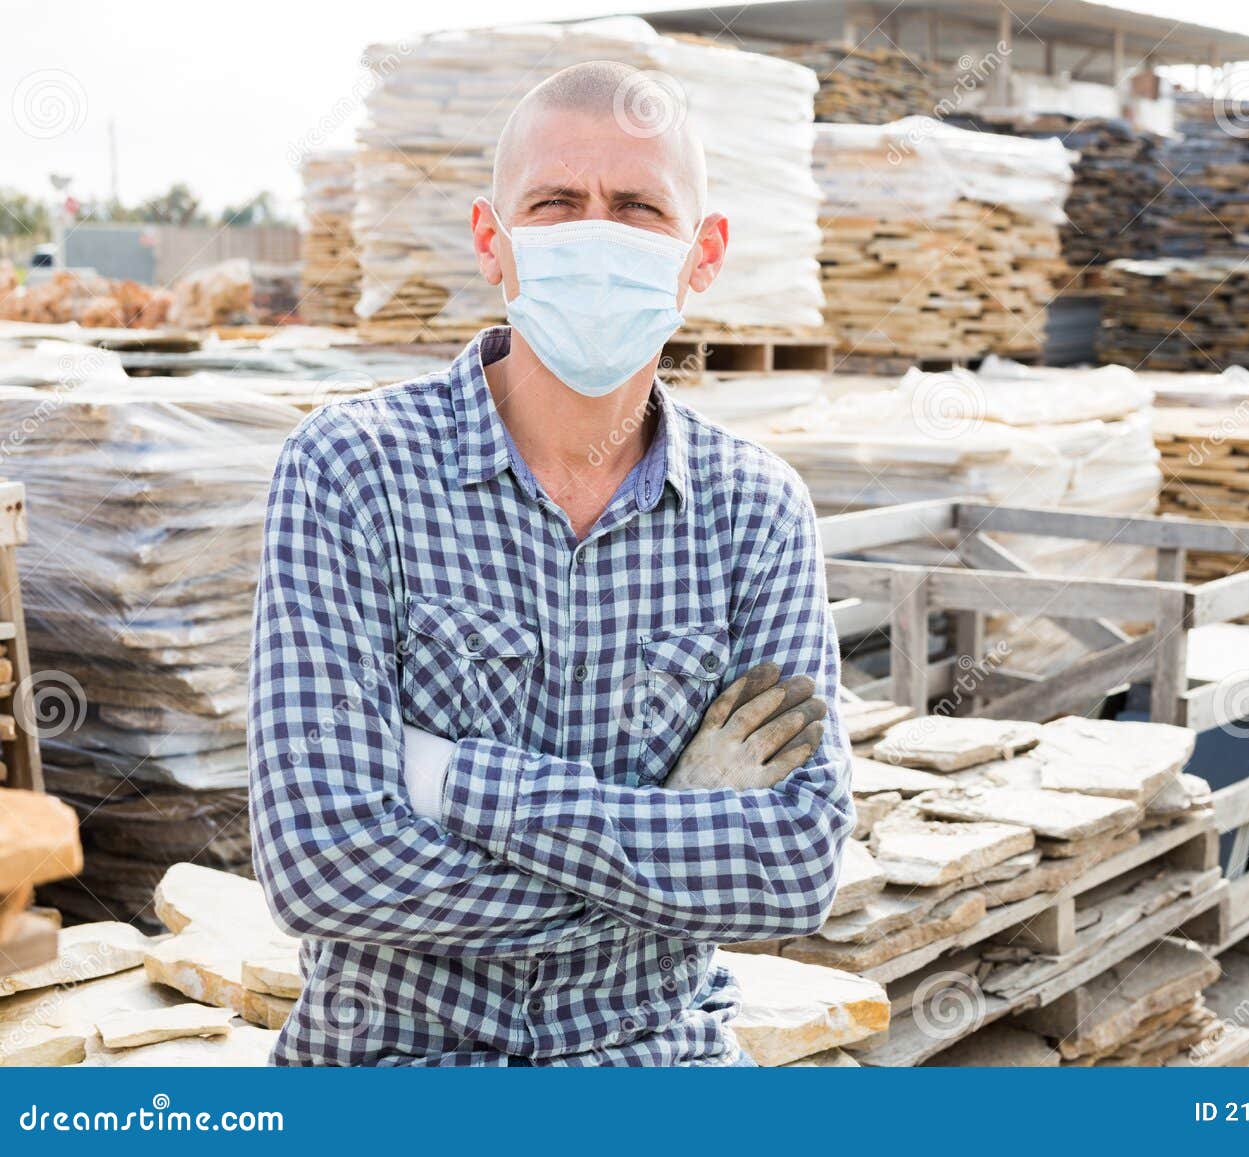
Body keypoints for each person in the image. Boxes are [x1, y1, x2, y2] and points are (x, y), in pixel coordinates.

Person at [247, 60, 852, 1066]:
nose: (596, 233)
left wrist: (449, 781)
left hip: (658, 1060)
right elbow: (321, 865)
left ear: (703, 254)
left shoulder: (757, 512)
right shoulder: (351, 471)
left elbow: (795, 869)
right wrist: (669, 845)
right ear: (495, 240)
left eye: (638, 207)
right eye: (558, 202)